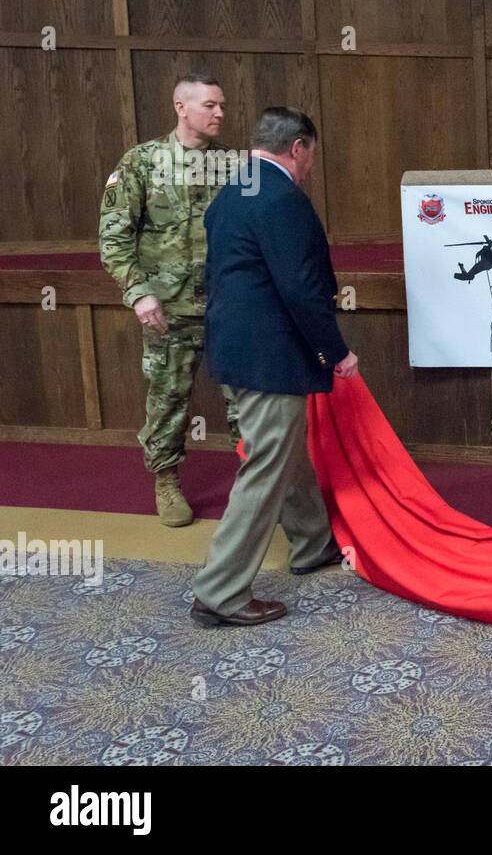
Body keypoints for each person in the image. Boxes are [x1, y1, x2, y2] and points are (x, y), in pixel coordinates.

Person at [190, 107, 358, 627]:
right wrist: (336, 352)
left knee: (282, 450)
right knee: (265, 464)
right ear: (299, 148)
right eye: (311, 155)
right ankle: (221, 591)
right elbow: (302, 290)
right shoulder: (283, 198)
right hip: (270, 355)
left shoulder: (233, 190)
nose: (309, 165)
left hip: (235, 349)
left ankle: (310, 543)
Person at [98, 73, 243, 527]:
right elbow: (113, 235)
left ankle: (255, 484)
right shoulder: (141, 162)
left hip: (228, 307)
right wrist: (138, 293)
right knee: (167, 399)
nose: (220, 113)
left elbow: (255, 232)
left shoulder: (235, 166)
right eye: (209, 105)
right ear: (180, 107)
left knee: (245, 401)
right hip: (166, 309)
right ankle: (166, 481)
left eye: (221, 105)